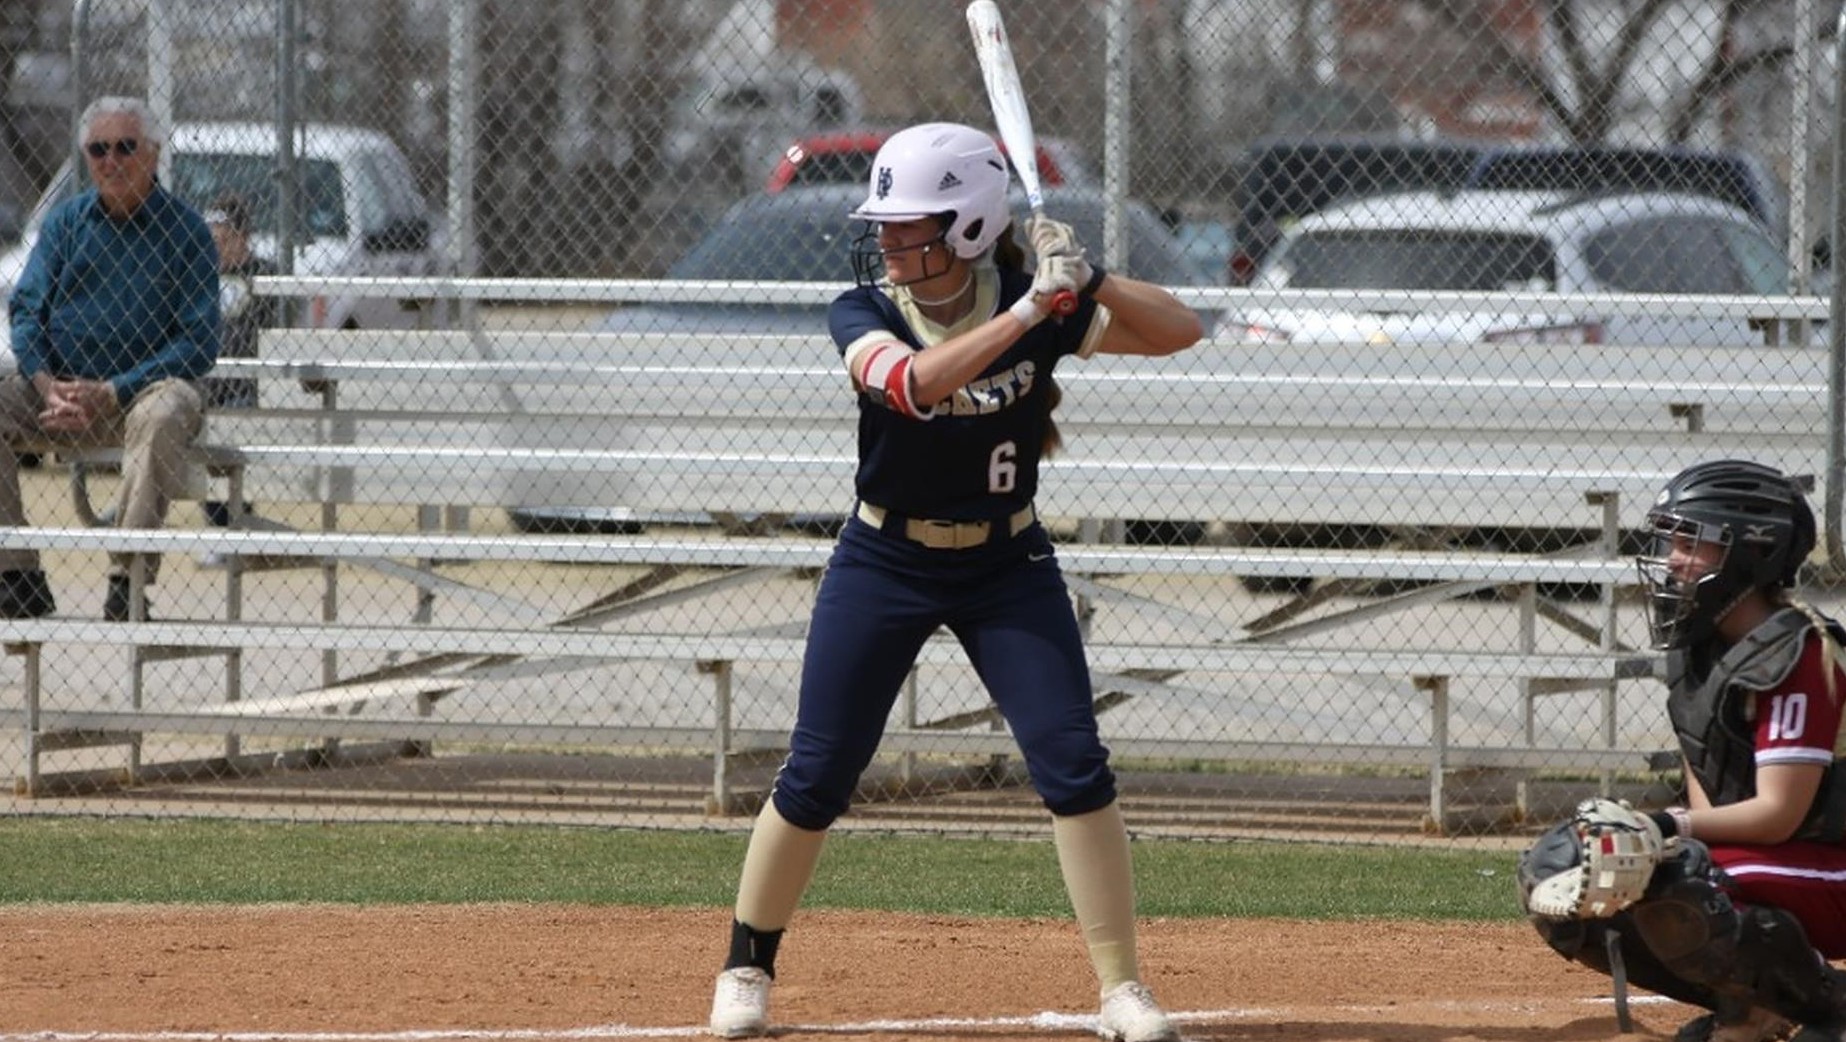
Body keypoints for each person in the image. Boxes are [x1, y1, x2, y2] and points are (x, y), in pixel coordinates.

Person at [705, 122, 1204, 1042]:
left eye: (910, 225)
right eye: (887, 224)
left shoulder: (1036, 295)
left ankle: (1122, 988)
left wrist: (1088, 282)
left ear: (971, 225)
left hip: (1005, 564)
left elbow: (1182, 331)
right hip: (884, 559)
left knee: (1073, 764)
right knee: (818, 773)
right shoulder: (865, 309)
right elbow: (913, 387)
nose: (889, 241)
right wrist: (1028, 315)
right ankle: (746, 963)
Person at [1518, 460, 1846, 1042]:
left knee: (1684, 881)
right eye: (1673, 540)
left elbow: (1779, 814)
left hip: (1827, 853)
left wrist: (1661, 825)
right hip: (1797, 859)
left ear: (1750, 552)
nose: (1672, 557)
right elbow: (1712, 802)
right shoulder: (1701, 652)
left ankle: (1830, 1008)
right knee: (1565, 868)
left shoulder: (1797, 655)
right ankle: (1750, 1008)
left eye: (1694, 542)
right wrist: (1648, 841)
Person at [0, 96, 219, 621]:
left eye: (125, 147)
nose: (111, 160)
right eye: (98, 149)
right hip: (62, 392)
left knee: (165, 410)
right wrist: (47, 382)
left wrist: (115, 389)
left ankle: (129, 582)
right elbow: (26, 308)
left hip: (143, 392)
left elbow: (199, 342)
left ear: (153, 153)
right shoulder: (66, 224)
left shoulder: (185, 232)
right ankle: (17, 573)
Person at [199, 192, 276, 532]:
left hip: (247, 389)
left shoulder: (264, 276)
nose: (216, 248)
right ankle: (221, 526)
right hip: (206, 388)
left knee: (231, 425)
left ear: (243, 237)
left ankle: (232, 525)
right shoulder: (197, 277)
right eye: (210, 240)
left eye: (224, 239)